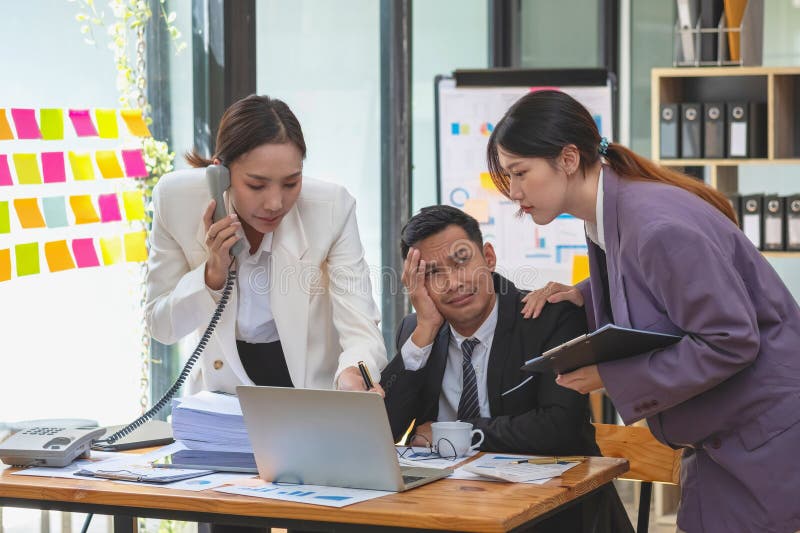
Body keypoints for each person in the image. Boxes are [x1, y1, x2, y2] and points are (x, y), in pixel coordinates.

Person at [486, 89, 800, 533]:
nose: (514, 192)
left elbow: (731, 340)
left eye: (520, 173)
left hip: (765, 439)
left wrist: (609, 378)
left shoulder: (655, 225)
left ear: (569, 158)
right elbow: (659, 286)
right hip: (723, 442)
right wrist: (585, 294)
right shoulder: (610, 213)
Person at [380, 205, 632, 533]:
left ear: (488, 256)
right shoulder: (419, 331)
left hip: (553, 513)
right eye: (433, 273)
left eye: (462, 261)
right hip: (448, 511)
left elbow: (560, 426)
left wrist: (456, 434)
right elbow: (381, 431)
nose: (453, 282)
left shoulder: (548, 318)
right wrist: (424, 330)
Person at [145, 94, 387, 397]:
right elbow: (162, 327)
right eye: (256, 185)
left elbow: (361, 328)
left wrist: (353, 371)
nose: (275, 203)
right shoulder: (177, 200)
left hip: (308, 392)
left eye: (291, 183)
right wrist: (212, 275)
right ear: (220, 173)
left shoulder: (332, 208)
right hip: (222, 400)